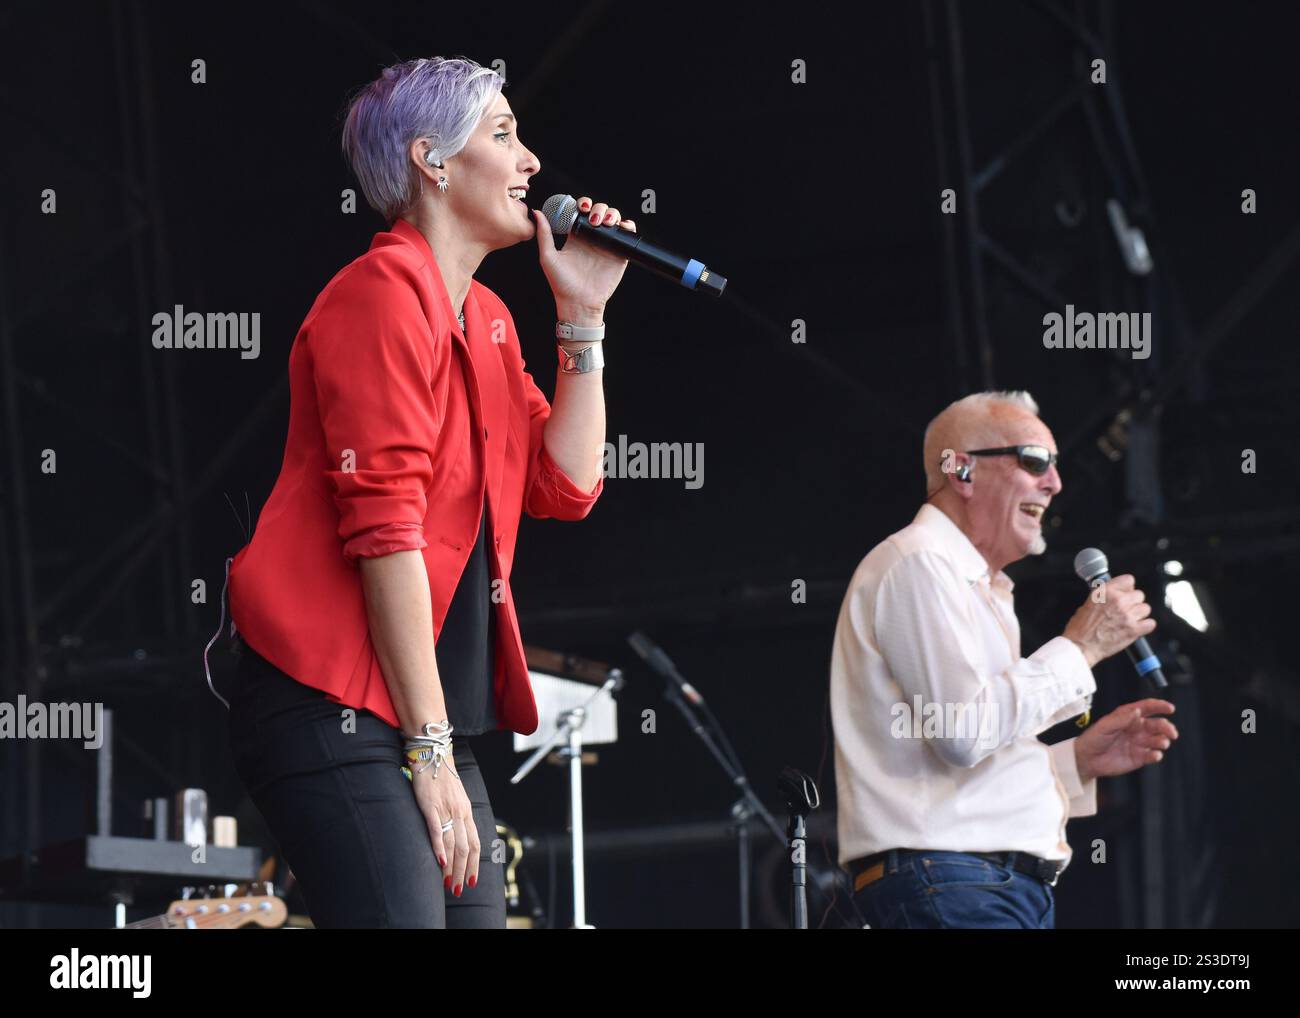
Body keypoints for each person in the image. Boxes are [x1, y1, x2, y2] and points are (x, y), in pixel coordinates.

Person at [221, 56, 636, 928]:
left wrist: (584, 319)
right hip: (327, 694)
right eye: (503, 134)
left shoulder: (485, 319)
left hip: (419, 703)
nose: (530, 161)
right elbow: (386, 531)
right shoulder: (380, 295)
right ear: (432, 162)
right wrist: (431, 750)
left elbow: (566, 484)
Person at [830, 390, 1179, 929]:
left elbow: (958, 770)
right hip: (952, 885)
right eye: (1034, 460)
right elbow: (963, 732)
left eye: (1056, 466)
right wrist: (1082, 646)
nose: (1055, 483)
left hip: (974, 887)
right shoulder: (919, 564)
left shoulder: (979, 587)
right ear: (962, 471)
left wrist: (1074, 761)